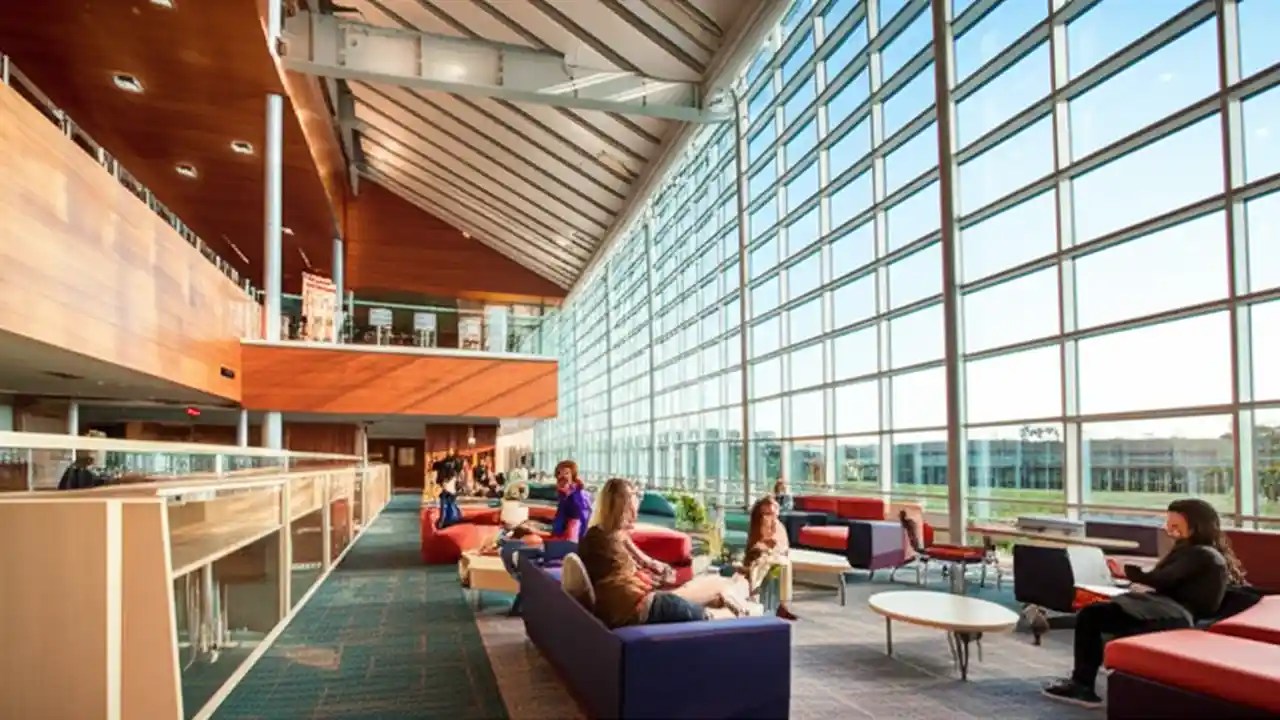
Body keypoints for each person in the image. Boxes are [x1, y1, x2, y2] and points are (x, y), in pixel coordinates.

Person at [1042, 498, 1245, 708]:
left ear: (1195, 527)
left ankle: (1082, 685)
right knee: (1098, 613)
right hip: (1169, 609)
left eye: (1175, 526)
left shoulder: (1201, 554)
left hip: (1175, 614)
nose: (1169, 531)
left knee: (1092, 616)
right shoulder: (1195, 551)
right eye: (1168, 525)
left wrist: (1126, 571)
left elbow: (1161, 579)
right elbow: (1168, 580)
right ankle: (1083, 669)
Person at [577, 478, 752, 627]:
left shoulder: (600, 535)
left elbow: (642, 565)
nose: (638, 504)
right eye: (636, 498)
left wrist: (657, 572)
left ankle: (737, 596)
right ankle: (749, 608)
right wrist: (658, 578)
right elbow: (632, 583)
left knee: (718, 588)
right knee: (726, 604)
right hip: (647, 607)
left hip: (640, 605)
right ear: (625, 505)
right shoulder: (610, 541)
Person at [743, 496, 799, 621]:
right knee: (762, 562)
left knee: (782, 564)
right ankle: (754, 594)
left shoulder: (778, 526)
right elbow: (754, 546)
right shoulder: (758, 525)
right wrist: (765, 545)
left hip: (775, 558)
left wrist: (771, 548)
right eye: (766, 513)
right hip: (760, 557)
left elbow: (783, 547)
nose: (770, 517)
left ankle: (782, 604)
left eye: (773, 513)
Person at [548, 460, 592, 541]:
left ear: (573, 476)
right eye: (559, 473)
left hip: (570, 540)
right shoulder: (565, 495)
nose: (562, 476)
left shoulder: (577, 497)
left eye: (566, 473)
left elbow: (578, 525)